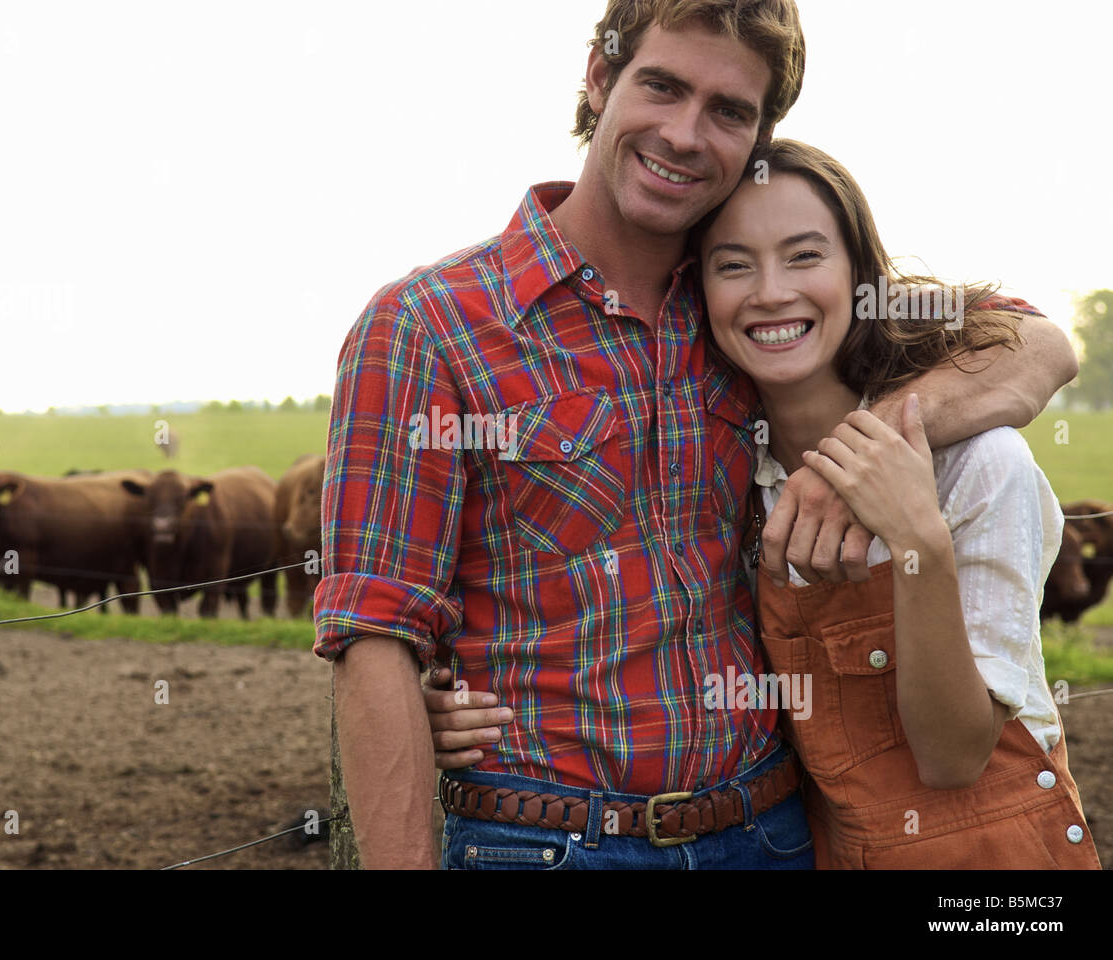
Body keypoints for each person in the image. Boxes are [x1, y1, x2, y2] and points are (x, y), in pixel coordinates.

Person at [316, 0, 1078, 870]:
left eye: (728, 111)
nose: (685, 132)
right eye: (661, 86)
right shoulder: (430, 325)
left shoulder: (745, 312)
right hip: (544, 838)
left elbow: (1038, 345)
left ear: (757, 138)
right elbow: (374, 629)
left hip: (772, 830)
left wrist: (857, 455)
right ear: (599, 79)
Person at [428, 138, 1101, 869]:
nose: (771, 291)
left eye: (806, 256)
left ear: (861, 278)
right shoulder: (729, 464)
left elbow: (953, 758)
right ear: (699, 290)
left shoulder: (977, 462)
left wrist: (917, 542)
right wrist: (454, 697)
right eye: (733, 264)